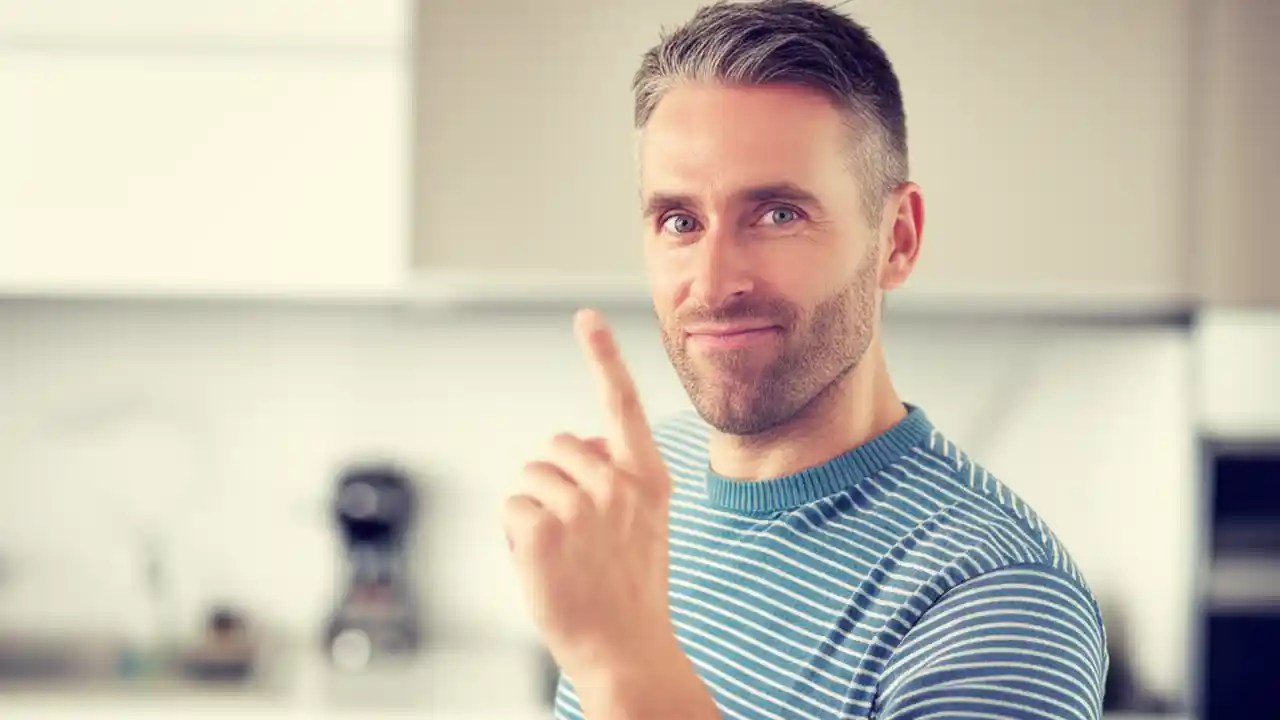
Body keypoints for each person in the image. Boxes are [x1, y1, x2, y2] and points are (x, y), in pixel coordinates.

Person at [501, 1, 1109, 718]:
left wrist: (621, 666)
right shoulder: (647, 491)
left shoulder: (998, 602)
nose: (714, 282)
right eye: (680, 221)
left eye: (778, 214)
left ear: (898, 239)